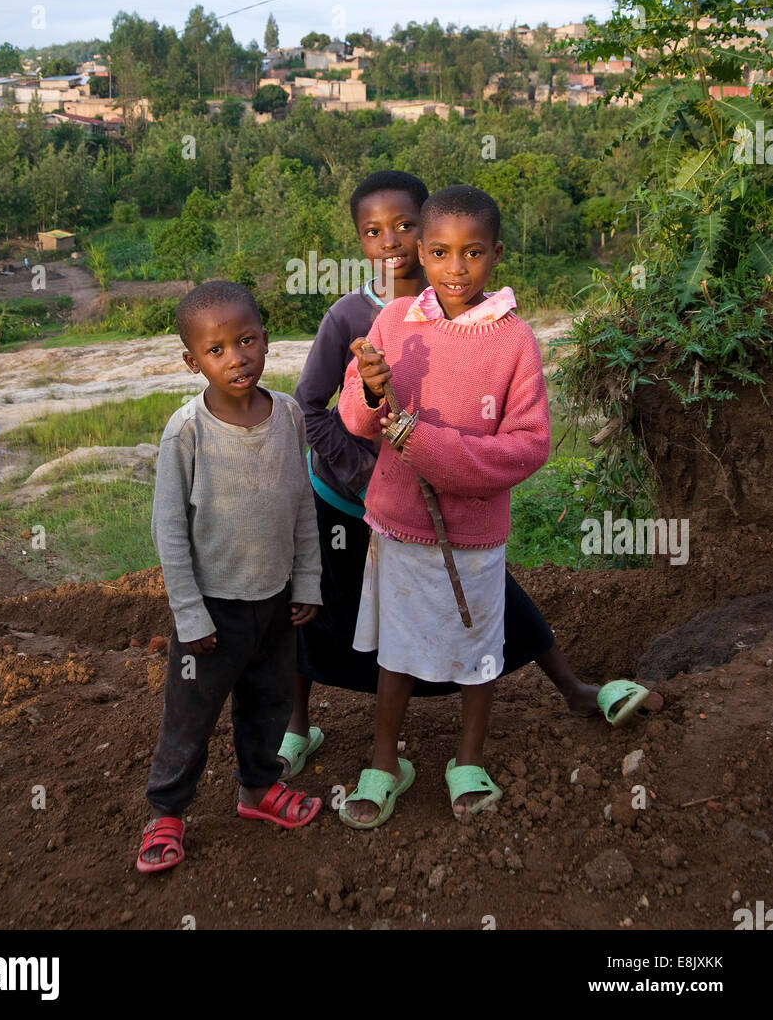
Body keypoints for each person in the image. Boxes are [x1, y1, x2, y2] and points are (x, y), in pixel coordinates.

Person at [280, 169, 649, 784]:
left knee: (486, 601)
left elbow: (519, 441)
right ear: (364, 242)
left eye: (404, 226)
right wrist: (368, 468)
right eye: (376, 232)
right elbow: (319, 408)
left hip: (452, 506)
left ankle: (564, 693)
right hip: (355, 498)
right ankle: (298, 726)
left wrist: (423, 449)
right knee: (319, 606)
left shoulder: (487, 326)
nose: (392, 241)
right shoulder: (358, 316)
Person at [336, 183, 551, 825]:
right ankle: (384, 761)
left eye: (473, 253)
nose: (456, 269)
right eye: (440, 252)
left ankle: (469, 758)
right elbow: (353, 419)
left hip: (476, 534)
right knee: (397, 650)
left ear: (497, 255)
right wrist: (372, 392)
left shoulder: (515, 342)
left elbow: (527, 447)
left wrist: (425, 444)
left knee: (477, 648)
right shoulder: (391, 325)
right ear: (420, 255)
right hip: (401, 525)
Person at [136, 280, 323, 872]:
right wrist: (188, 612)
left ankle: (258, 789)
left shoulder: (289, 414)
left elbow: (302, 505)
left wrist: (308, 581)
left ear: (265, 339)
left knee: (267, 702)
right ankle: (166, 812)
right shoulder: (187, 432)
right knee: (190, 716)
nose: (236, 357)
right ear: (193, 362)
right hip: (212, 611)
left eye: (246, 340)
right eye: (216, 350)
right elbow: (168, 530)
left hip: (275, 602)